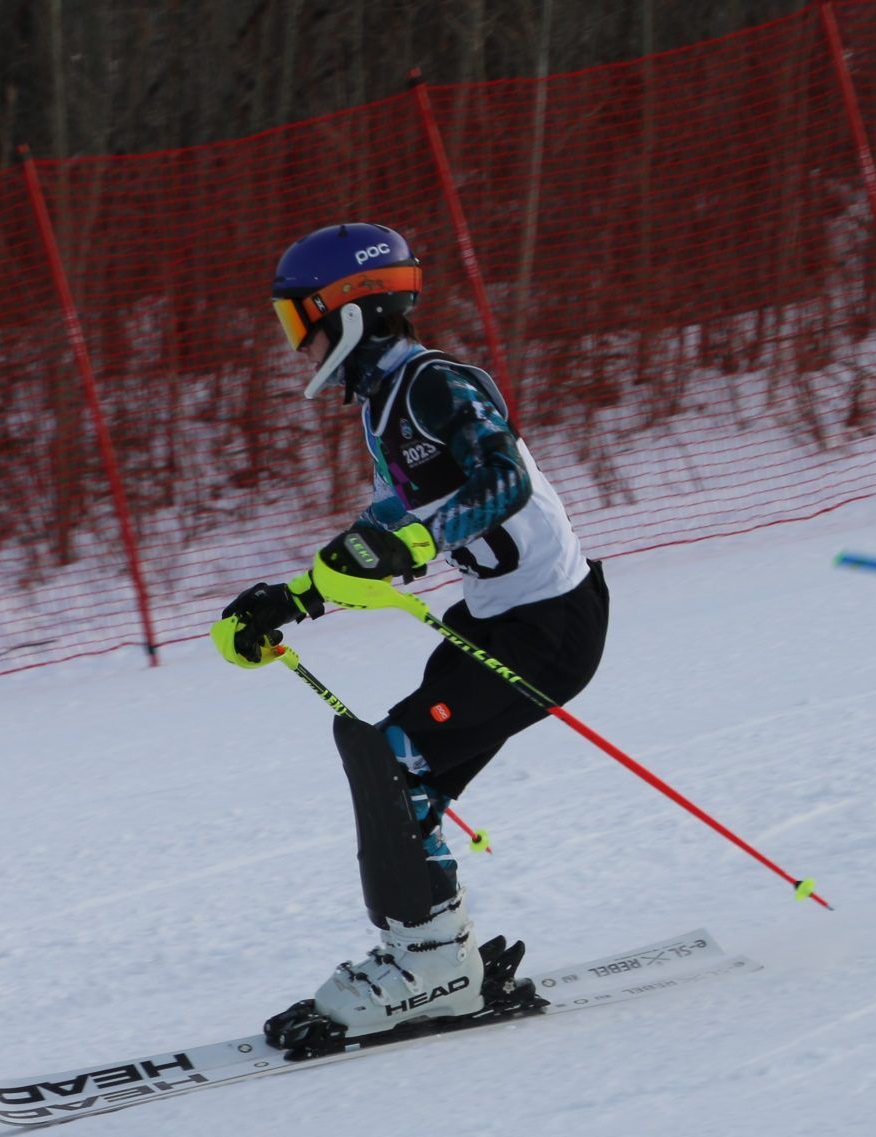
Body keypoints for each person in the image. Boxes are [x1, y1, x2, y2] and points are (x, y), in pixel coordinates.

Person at [212, 222, 609, 1050]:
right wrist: (293, 599)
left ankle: (433, 968)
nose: (297, 341)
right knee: (401, 774)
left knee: (391, 756)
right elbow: (399, 517)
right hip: (498, 621)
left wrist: (417, 545)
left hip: (548, 623)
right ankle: (436, 957)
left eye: (300, 319)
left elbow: (498, 476)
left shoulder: (437, 381)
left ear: (353, 309)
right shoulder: (388, 405)